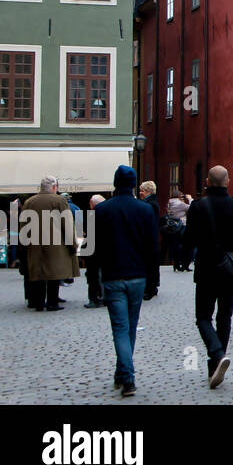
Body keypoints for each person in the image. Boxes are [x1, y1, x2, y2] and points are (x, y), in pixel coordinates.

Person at [93, 166, 158, 397]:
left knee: (120, 328)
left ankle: (126, 376)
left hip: (112, 275)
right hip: (137, 275)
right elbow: (152, 247)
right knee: (130, 327)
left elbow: (96, 247)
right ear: (133, 185)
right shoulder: (145, 210)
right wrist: (151, 277)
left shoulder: (102, 210)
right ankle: (124, 374)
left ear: (114, 183)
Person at [185, 165, 233, 388]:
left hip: (206, 268)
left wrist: (184, 260)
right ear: (228, 182)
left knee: (203, 317)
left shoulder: (198, 206)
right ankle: (216, 362)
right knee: (225, 316)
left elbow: (190, 238)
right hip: (230, 270)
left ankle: (216, 353)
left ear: (207, 181)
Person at [20, 176, 81, 311]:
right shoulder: (60, 200)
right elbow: (67, 224)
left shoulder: (29, 202)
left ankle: (39, 303)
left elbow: (23, 225)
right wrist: (72, 244)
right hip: (56, 244)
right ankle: (53, 302)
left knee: (39, 273)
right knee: (54, 273)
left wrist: (24, 244)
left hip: (34, 244)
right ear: (54, 187)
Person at [138, 181, 160, 299]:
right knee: (151, 264)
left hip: (149, 239)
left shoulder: (149, 204)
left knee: (149, 264)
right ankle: (152, 287)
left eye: (142, 190)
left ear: (148, 192)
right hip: (152, 238)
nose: (140, 193)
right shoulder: (152, 203)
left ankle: (150, 289)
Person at [83, 194, 106, 308]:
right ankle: (104, 297)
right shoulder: (109, 215)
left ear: (93, 205)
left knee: (93, 276)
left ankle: (94, 299)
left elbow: (88, 236)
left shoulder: (91, 216)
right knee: (103, 275)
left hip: (93, 252)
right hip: (105, 251)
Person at [167, 191, 190, 271]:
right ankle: (183, 264)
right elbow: (191, 207)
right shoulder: (180, 204)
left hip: (173, 226)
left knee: (175, 245)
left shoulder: (170, 203)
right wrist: (190, 199)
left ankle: (176, 264)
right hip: (182, 225)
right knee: (183, 245)